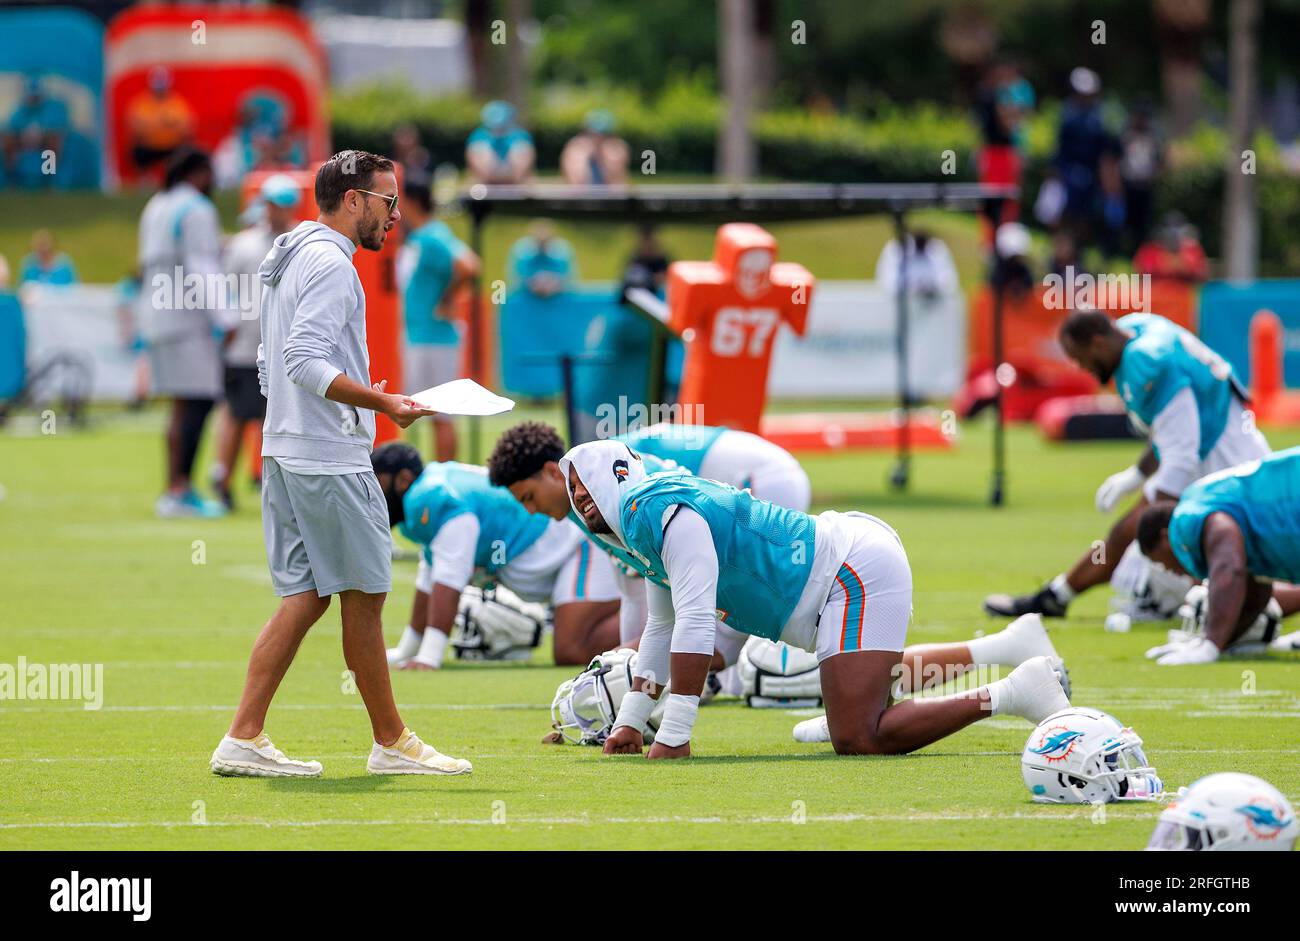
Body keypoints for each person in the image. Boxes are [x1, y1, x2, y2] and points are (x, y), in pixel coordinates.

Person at [558, 440, 1072, 758]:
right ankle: (1008, 643)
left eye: (588, 487)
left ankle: (1014, 692)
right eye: (575, 492)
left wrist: (674, 731)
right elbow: (661, 629)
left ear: (616, 479)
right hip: (835, 572)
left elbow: (694, 621)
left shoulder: (659, 510)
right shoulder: (641, 522)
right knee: (865, 689)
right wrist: (629, 722)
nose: (583, 501)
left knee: (859, 736)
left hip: (849, 571)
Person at [209, 150, 468, 778]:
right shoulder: (330, 264)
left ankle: (243, 736)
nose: (396, 216)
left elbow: (280, 362)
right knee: (366, 594)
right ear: (352, 200)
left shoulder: (296, 248)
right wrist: (376, 401)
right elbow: (301, 359)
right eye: (387, 202)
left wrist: (348, 400)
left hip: (286, 450)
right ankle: (391, 742)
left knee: (305, 595)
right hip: (325, 458)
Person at [984, 310, 1271, 620]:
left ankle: (1182, 606)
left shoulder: (1145, 362)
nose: (1083, 368)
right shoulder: (1135, 328)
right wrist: (1137, 475)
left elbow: (1182, 452)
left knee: (1151, 535)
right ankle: (1061, 595)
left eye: (1081, 359)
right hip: (1222, 443)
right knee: (1145, 535)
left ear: (1097, 343)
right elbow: (1171, 430)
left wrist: (1146, 533)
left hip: (1223, 459)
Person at [485, 420, 804, 668]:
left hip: (761, 476)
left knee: (730, 625)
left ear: (552, 473)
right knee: (707, 629)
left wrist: (626, 667)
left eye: (529, 497)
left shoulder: (604, 479)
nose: (530, 510)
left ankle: (795, 670)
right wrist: (624, 667)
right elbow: (634, 588)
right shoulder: (588, 491)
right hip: (757, 471)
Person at [372, 444, 622, 669]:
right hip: (559, 554)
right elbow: (430, 576)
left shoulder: (429, 496)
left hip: (576, 548)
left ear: (403, 479)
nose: (373, 496)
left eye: (377, 484)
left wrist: (429, 656)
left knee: (571, 649)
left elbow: (450, 574)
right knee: (570, 645)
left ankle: (653, 629)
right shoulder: (429, 491)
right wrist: (409, 651)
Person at [1136, 447, 1300, 664]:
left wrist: (1211, 646)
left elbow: (1230, 561)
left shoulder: (1186, 517)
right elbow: (1256, 593)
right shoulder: (1202, 498)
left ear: (1166, 538)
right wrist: (1212, 642)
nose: (1170, 570)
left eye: (1162, 562)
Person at [136, 148, 227, 518]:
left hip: (156, 314)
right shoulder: (197, 210)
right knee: (199, 401)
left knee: (180, 405)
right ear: (201, 173)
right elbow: (202, 266)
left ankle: (173, 487)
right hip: (187, 318)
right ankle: (180, 488)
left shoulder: (156, 204)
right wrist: (227, 318)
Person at [210, 174, 303, 510]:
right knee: (236, 415)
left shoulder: (300, 242)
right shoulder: (244, 244)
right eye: (277, 204)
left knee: (281, 420)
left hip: (285, 350)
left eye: (288, 204)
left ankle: (283, 492)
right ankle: (222, 481)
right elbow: (221, 290)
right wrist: (225, 328)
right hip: (245, 347)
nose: (282, 210)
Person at [396, 176, 480, 462]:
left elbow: (469, 265)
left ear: (411, 202)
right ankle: (435, 469)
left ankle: (445, 472)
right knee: (425, 411)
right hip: (420, 335)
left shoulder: (432, 235)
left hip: (436, 337)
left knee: (440, 412)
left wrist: (447, 299)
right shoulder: (421, 237)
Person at [3, 73, 69, 189]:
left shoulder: (51, 108)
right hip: (23, 141)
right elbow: (12, 126)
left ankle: (49, 180)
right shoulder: (22, 109)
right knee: (7, 140)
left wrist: (39, 136)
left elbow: (56, 129)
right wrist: (23, 136)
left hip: (44, 141)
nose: (33, 99)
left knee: (53, 143)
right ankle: (11, 180)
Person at [126, 66, 195, 177]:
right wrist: (166, 124)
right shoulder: (142, 103)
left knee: (186, 151)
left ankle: (177, 180)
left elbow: (187, 128)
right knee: (137, 151)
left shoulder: (177, 103)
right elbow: (137, 128)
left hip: (172, 145)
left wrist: (156, 125)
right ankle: (144, 181)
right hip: (149, 146)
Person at [465, 100, 534, 184]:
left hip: (514, 177)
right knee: (479, 148)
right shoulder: (479, 137)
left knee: (521, 148)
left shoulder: (520, 136)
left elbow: (522, 163)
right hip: (487, 178)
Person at [1133, 212, 1208, 284]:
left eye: (1177, 226)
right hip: (1157, 294)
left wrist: (1179, 265)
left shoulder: (1193, 251)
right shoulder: (1150, 251)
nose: (1173, 232)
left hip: (1184, 294)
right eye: (1169, 227)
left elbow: (1200, 275)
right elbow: (1141, 274)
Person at [508, 220, 575, 299]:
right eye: (539, 241)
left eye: (545, 241)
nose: (542, 244)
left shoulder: (562, 250)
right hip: (527, 295)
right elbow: (515, 277)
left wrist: (554, 285)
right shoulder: (521, 250)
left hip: (557, 295)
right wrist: (532, 285)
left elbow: (569, 278)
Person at [560, 109, 629, 185]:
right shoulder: (575, 148)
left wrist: (602, 157)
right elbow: (576, 182)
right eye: (591, 135)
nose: (597, 139)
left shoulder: (617, 148)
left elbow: (615, 181)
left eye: (604, 135)